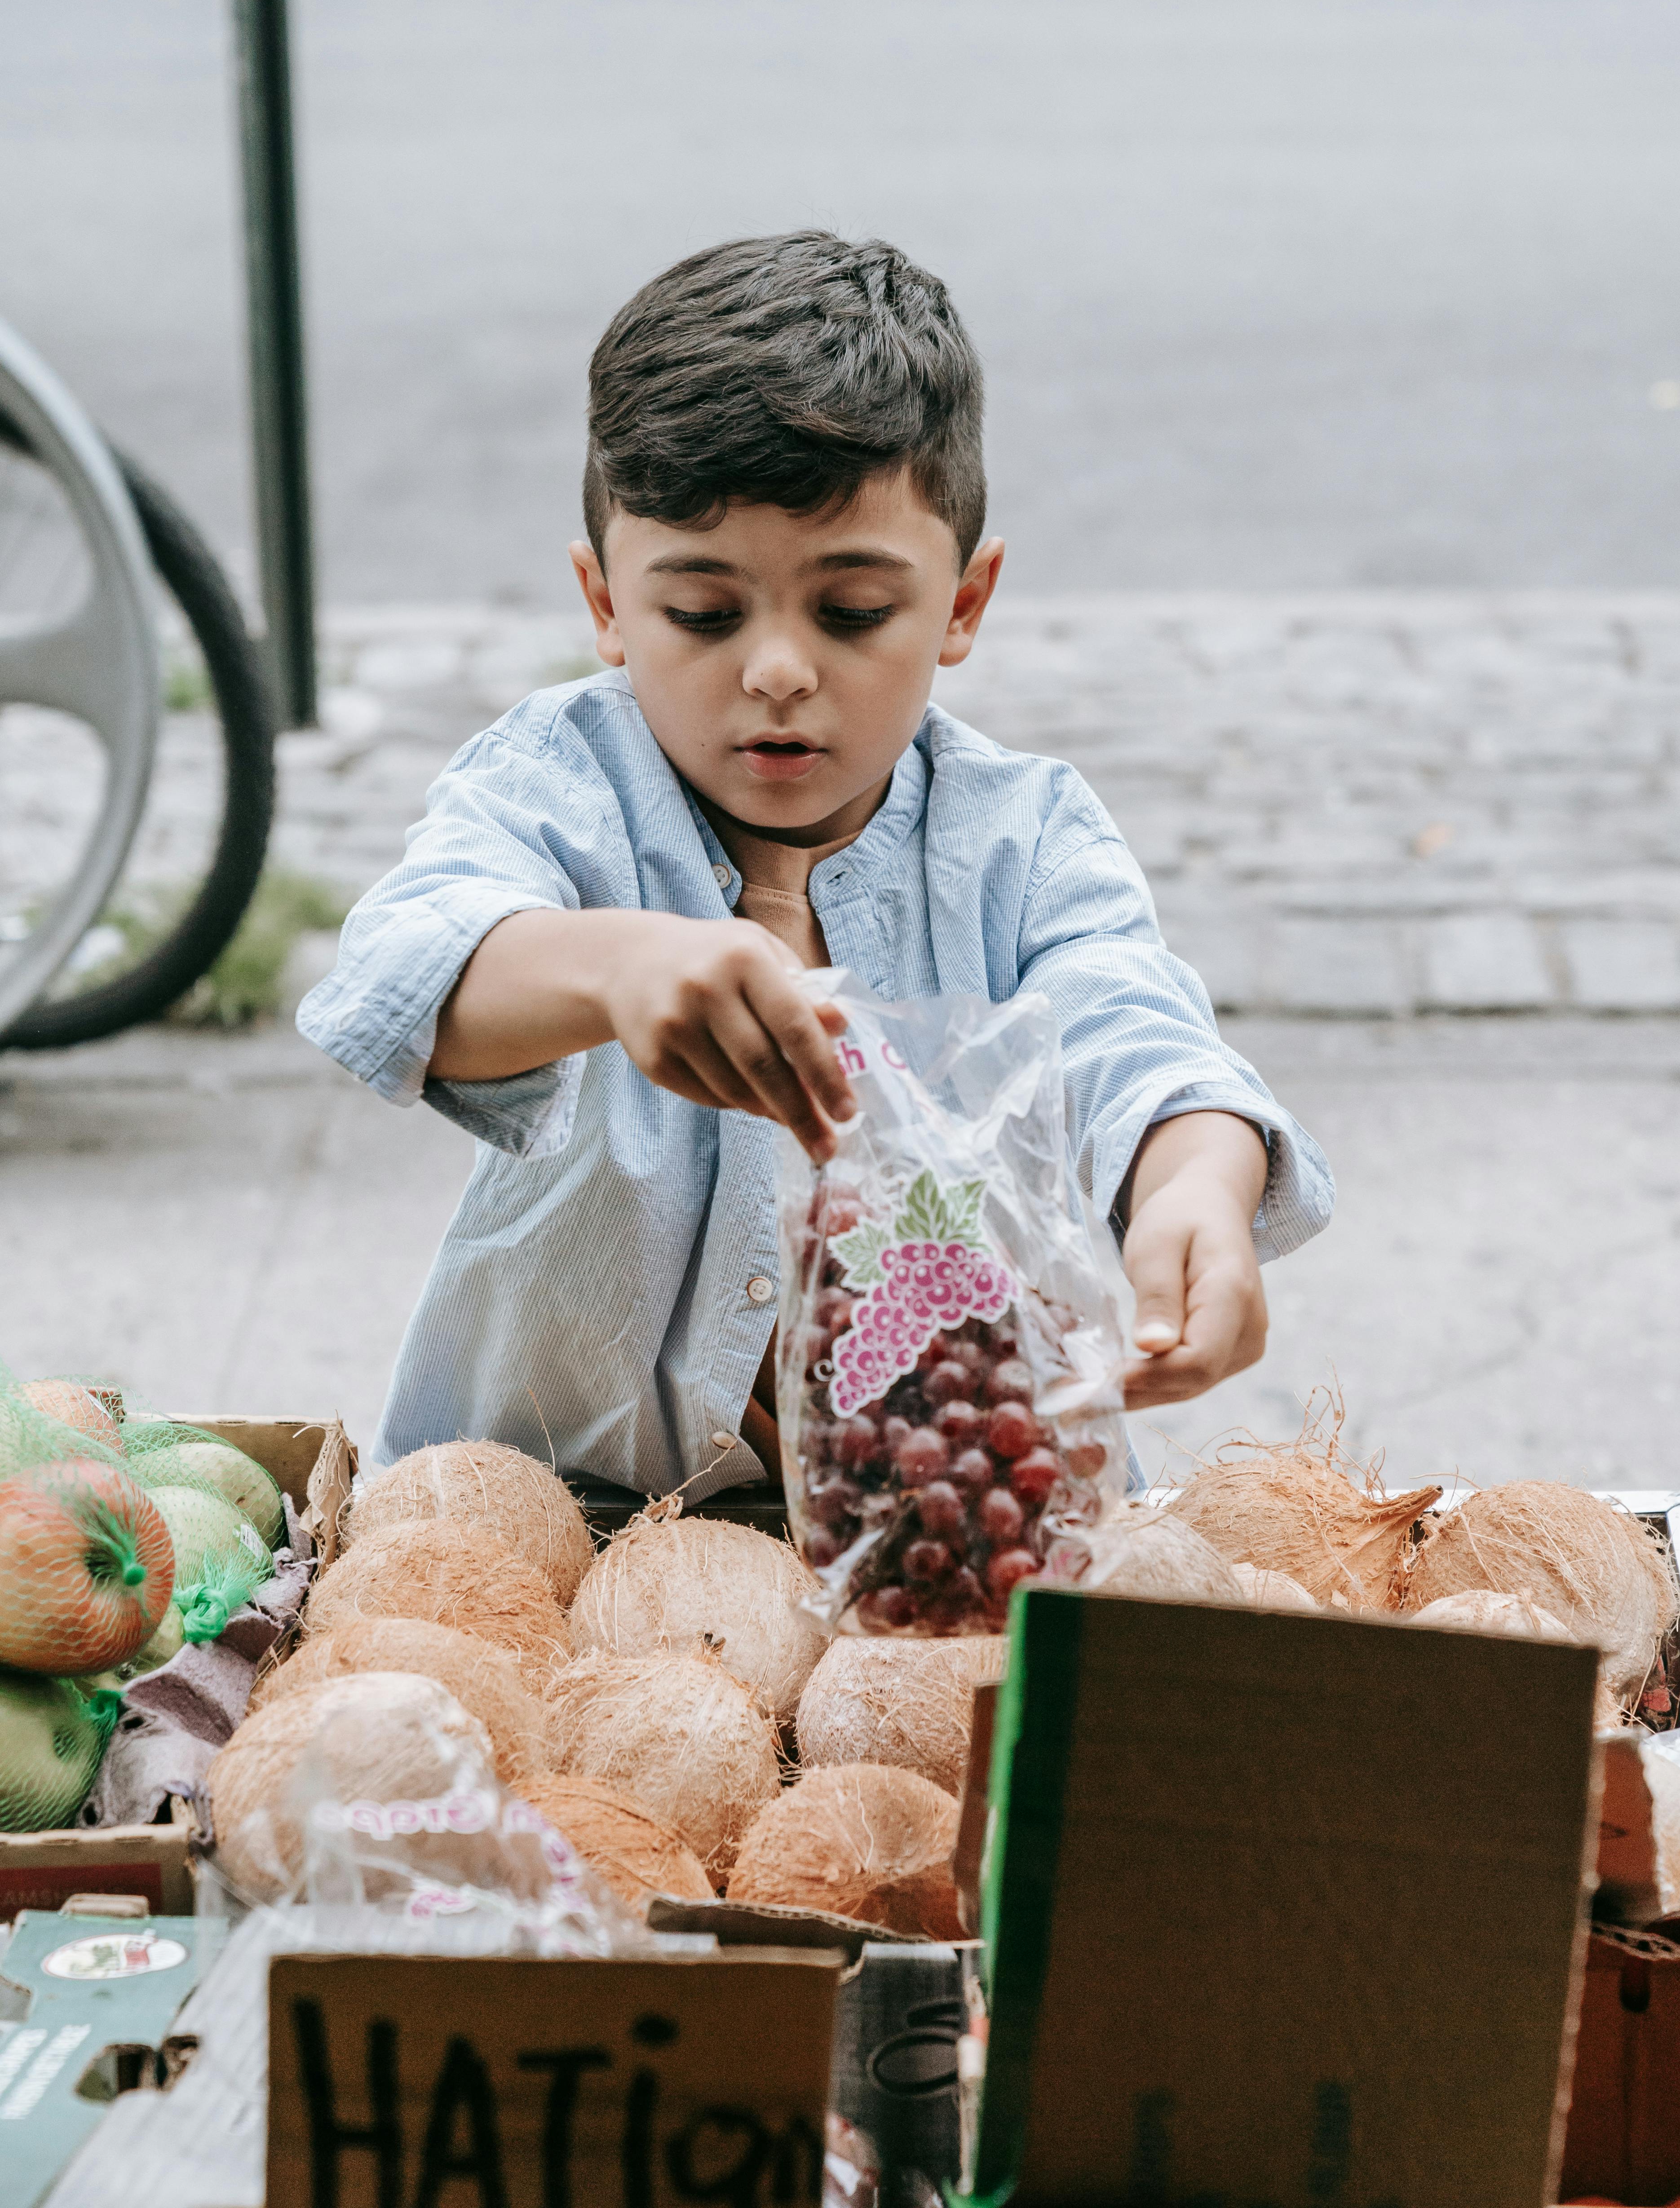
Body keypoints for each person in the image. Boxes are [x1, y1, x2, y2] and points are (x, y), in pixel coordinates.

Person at [300, 231, 1333, 1497]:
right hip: (560, 1511)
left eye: (850, 614)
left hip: (953, 1509)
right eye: (703, 613)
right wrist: (615, 966)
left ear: (963, 605)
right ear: (607, 604)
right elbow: (407, 969)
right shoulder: (559, 784)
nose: (778, 669)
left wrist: (1196, 1189)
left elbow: (1137, 1031)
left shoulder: (1025, 838)